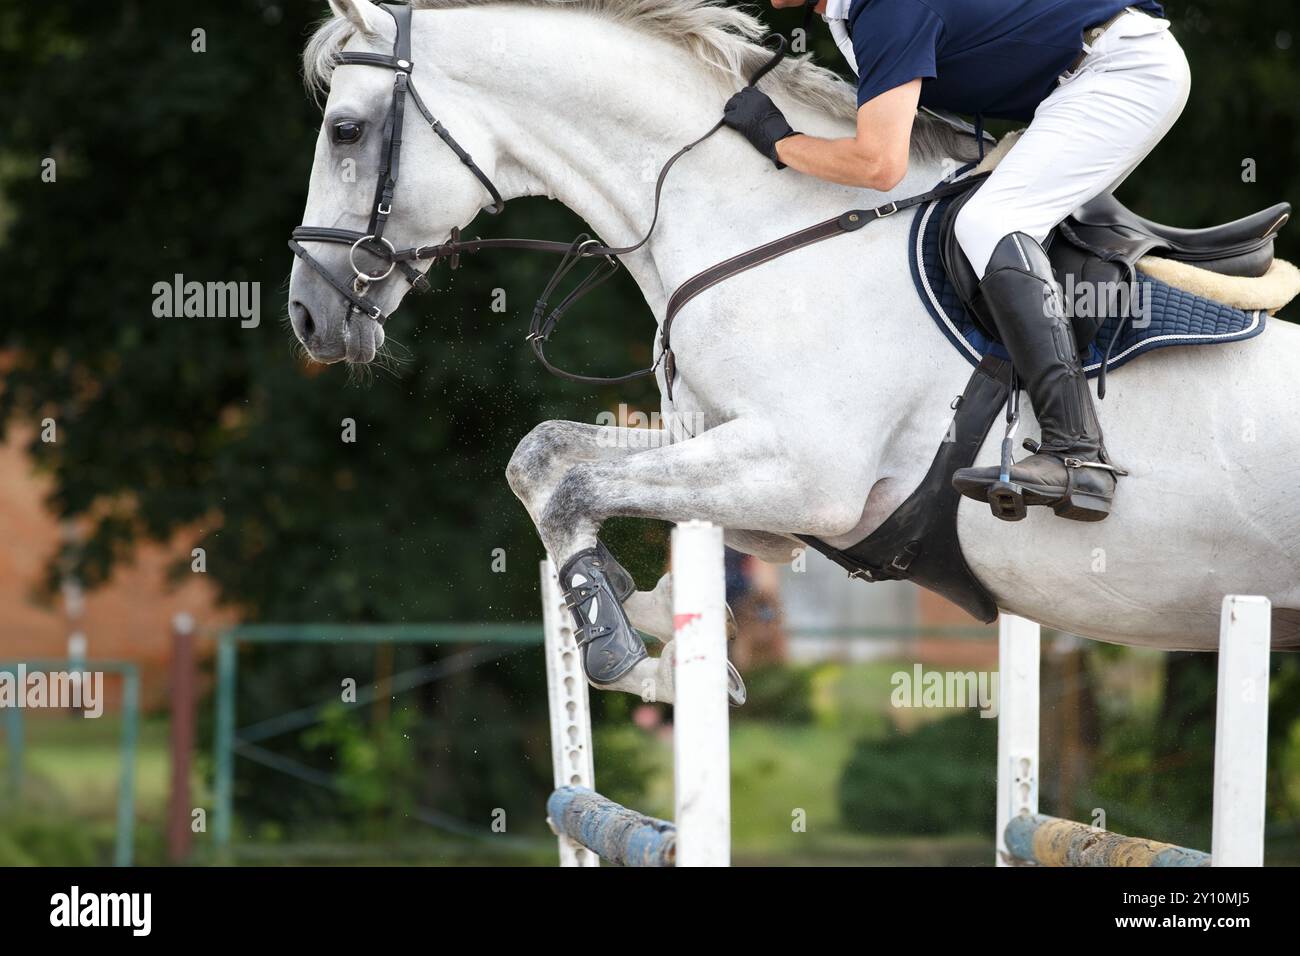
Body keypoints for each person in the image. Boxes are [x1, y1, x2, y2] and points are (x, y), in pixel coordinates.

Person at [722, 0, 1190, 522]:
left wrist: (780, 142)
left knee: (989, 222)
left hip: (1121, 72)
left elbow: (879, 164)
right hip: (1087, 76)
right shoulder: (856, 15)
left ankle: (1075, 453)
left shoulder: (887, 11)